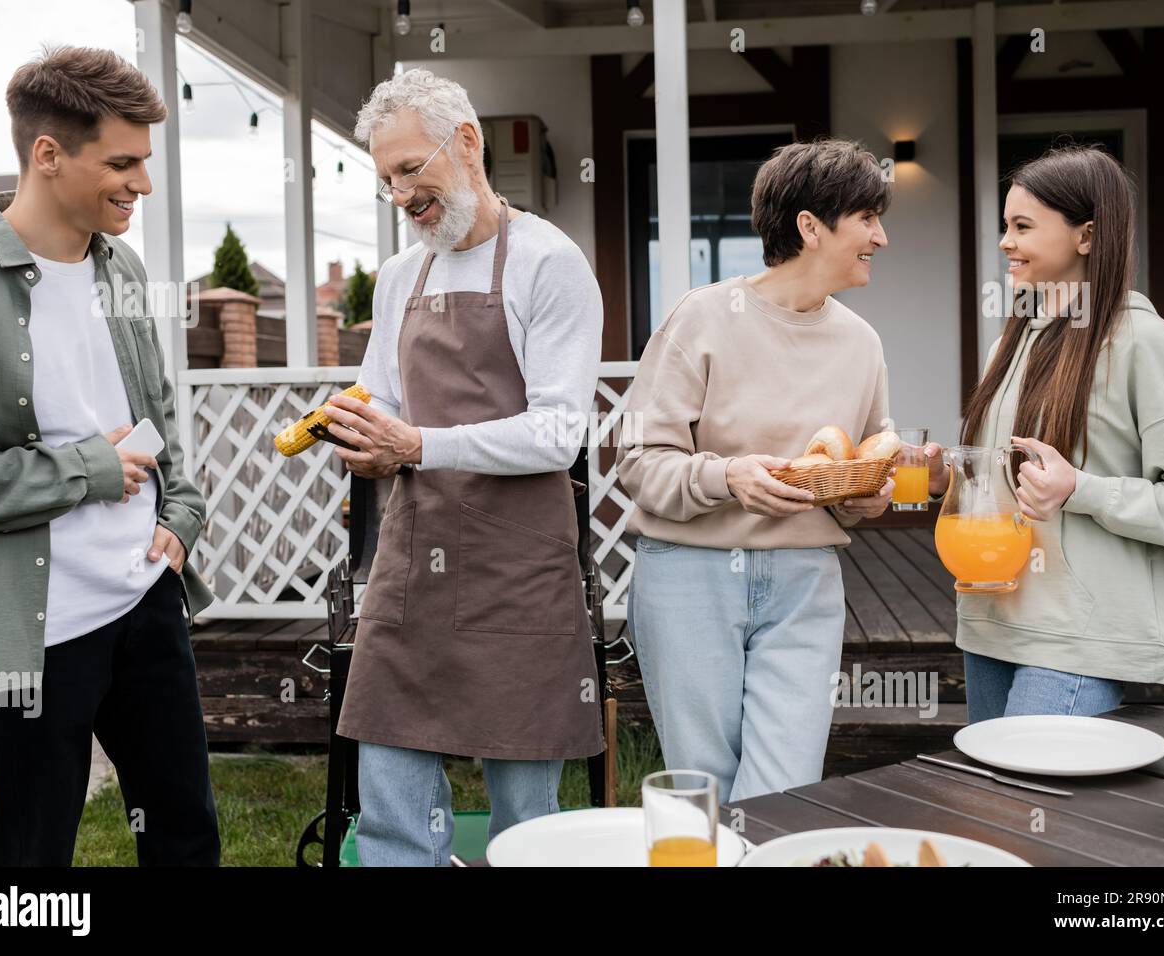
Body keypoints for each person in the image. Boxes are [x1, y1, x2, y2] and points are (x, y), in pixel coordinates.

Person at [0, 46, 218, 865]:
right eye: (123, 162)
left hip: (144, 599)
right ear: (48, 154)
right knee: (33, 852)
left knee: (185, 830)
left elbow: (155, 411)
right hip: (31, 632)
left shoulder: (121, 265)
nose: (143, 184)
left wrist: (184, 512)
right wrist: (80, 474)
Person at [323, 68, 604, 866]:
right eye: (386, 179)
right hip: (411, 564)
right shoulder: (397, 277)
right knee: (390, 804)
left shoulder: (548, 263)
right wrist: (345, 423)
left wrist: (418, 446)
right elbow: (380, 394)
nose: (400, 194)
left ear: (468, 143)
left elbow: (558, 433)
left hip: (519, 573)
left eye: (411, 169)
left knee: (527, 826)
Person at [616, 139, 895, 805]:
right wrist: (725, 476)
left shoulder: (862, 342)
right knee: (702, 788)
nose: (880, 238)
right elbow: (636, 459)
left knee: (785, 790)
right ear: (810, 226)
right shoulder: (702, 317)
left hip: (805, 583)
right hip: (690, 571)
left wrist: (867, 494)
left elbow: (857, 473)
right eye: (867, 219)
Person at [924, 145, 1164, 722]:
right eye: (1004, 226)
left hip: (1077, 640)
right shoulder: (1010, 344)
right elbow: (1002, 479)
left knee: (1029, 802)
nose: (1005, 243)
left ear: (1087, 236)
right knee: (1001, 805)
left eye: (1023, 226)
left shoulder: (1148, 345)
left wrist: (1081, 491)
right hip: (991, 623)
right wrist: (945, 474)